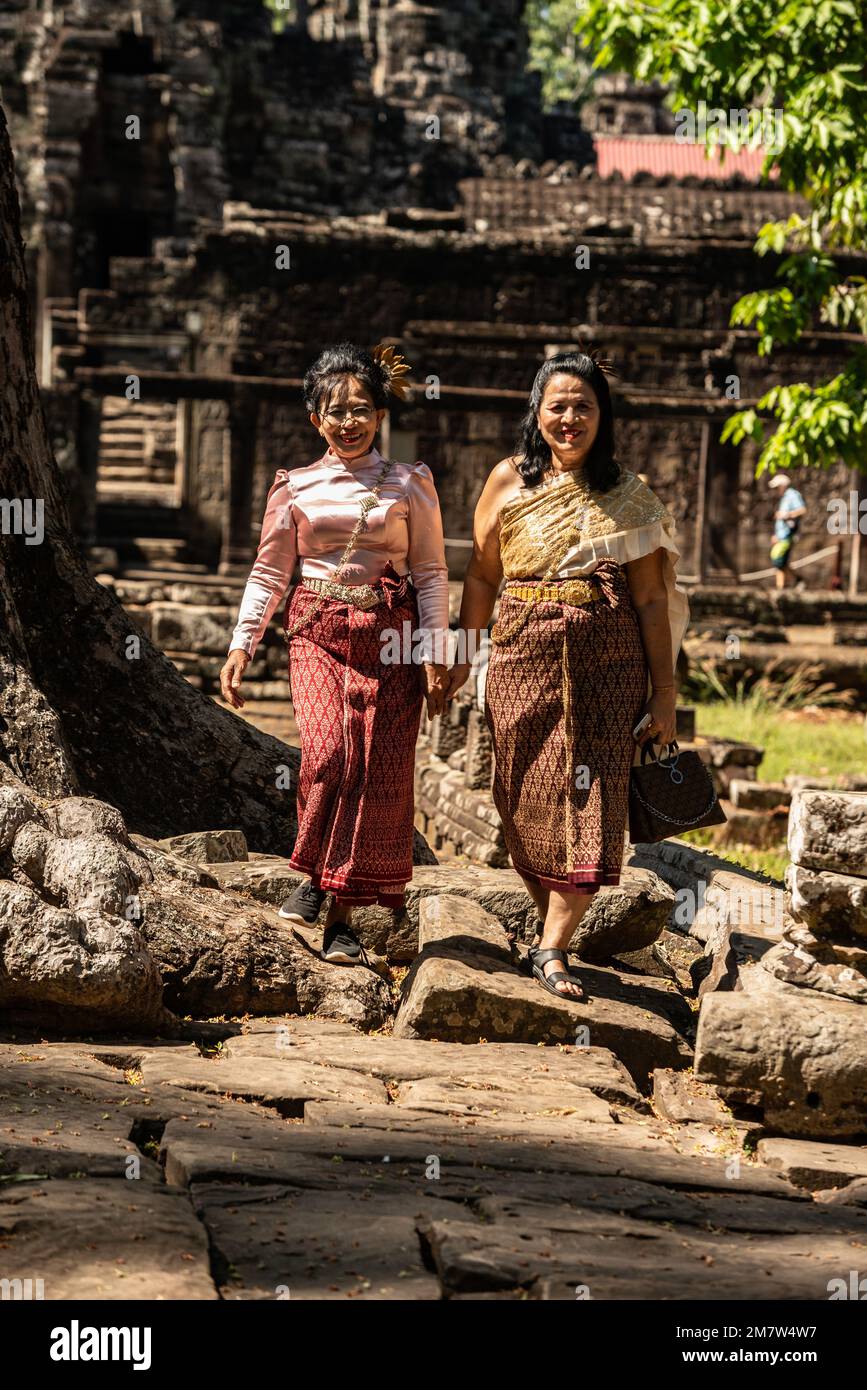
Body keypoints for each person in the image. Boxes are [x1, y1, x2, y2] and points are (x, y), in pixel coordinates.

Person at [445, 351, 688, 1001]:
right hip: (519, 657)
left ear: (602, 416)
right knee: (518, 797)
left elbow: (652, 601)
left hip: (605, 669)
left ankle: (552, 948)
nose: (569, 417)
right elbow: (480, 575)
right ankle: (546, 930)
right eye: (557, 405)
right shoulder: (506, 482)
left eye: (583, 405)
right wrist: (459, 655)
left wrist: (663, 695)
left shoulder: (625, 494)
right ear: (536, 412)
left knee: (593, 807)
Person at [220, 343, 450, 964]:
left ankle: (341, 915)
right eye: (334, 409)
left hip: (391, 635)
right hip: (319, 631)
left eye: (361, 409)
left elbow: (430, 572)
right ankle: (314, 876)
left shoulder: (410, 484)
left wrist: (435, 649)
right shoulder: (295, 487)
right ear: (314, 418)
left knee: (376, 768)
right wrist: (243, 642)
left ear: (379, 415)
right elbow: (270, 572)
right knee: (327, 753)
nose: (348, 421)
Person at [768, 473, 806, 589]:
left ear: (782, 486)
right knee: (781, 562)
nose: (775, 490)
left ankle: (780, 589)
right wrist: (776, 535)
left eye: (776, 487)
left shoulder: (792, 495)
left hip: (788, 534)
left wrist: (787, 514)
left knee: (778, 561)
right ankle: (797, 580)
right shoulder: (784, 498)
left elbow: (802, 510)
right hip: (781, 535)